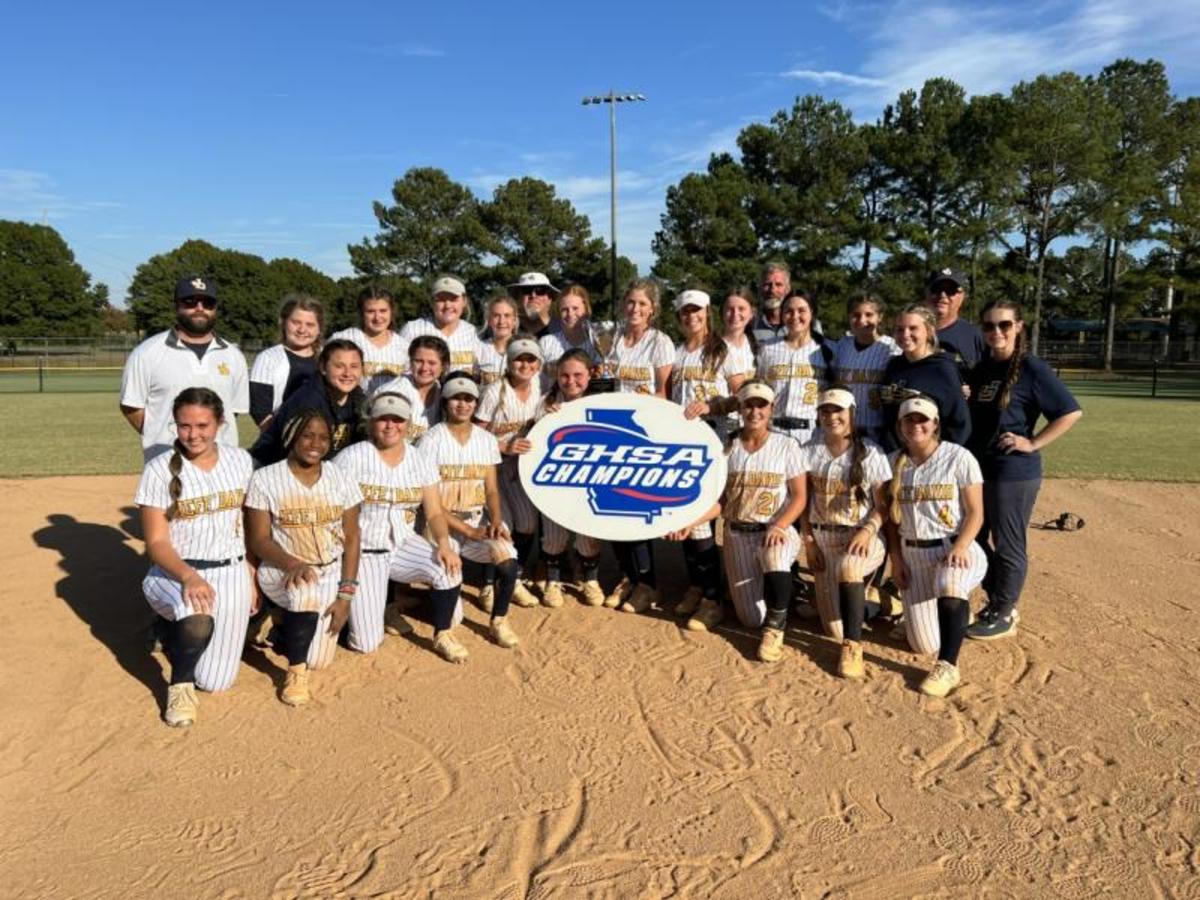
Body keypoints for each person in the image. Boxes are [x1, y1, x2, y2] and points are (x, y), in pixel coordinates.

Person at [136, 388, 255, 727]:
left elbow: (249, 523)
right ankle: (179, 687)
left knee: (217, 681)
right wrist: (188, 576)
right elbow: (156, 542)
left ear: (219, 423)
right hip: (175, 571)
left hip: (230, 569)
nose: (193, 434)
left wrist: (251, 569)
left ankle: (175, 635)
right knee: (194, 612)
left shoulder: (240, 461)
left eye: (202, 425)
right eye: (184, 425)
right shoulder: (160, 469)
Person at [966, 300, 1081, 640]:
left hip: (1013, 469)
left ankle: (1004, 611)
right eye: (988, 326)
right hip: (980, 465)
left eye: (1003, 325)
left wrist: (1032, 442)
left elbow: (1070, 412)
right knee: (971, 534)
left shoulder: (1032, 368)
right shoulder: (983, 368)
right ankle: (997, 599)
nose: (996, 332)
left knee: (1008, 542)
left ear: (1018, 326)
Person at [330, 392, 469, 658]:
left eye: (398, 420)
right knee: (365, 644)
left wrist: (442, 544)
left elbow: (435, 513)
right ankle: (373, 607)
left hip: (403, 544)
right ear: (371, 422)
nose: (391, 425)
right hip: (364, 553)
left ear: (408, 424)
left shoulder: (419, 459)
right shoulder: (351, 457)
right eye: (383, 418)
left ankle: (442, 634)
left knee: (448, 564)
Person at [245, 409, 362, 705]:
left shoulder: (340, 477)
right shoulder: (264, 479)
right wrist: (292, 563)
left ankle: (278, 623)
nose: (315, 443)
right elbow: (258, 539)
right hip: (280, 568)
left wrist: (346, 595)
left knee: (320, 660)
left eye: (323, 437)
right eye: (307, 435)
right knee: (304, 592)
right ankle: (295, 673)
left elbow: (352, 536)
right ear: (291, 437)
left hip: (330, 570)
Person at [418, 373, 534, 657]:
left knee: (507, 556)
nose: (462, 404)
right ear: (445, 402)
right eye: (456, 398)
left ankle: (499, 621)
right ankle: (441, 633)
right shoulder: (430, 440)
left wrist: (495, 519)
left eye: (469, 398)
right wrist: (469, 532)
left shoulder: (485, 440)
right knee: (450, 602)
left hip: (474, 519)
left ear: (476, 403)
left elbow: (492, 490)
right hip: (438, 526)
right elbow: (428, 503)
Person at [884, 395, 987, 698]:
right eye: (909, 419)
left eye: (923, 419)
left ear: (935, 424)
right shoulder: (892, 462)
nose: (916, 425)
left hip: (955, 547)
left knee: (951, 580)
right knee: (922, 644)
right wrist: (896, 559)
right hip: (912, 552)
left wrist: (961, 546)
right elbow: (890, 520)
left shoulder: (958, 457)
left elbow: (976, 513)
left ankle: (948, 666)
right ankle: (954, 612)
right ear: (900, 425)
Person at [701, 381, 807, 661]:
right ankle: (780, 592)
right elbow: (721, 501)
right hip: (737, 533)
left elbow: (799, 497)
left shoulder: (787, 445)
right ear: (740, 407)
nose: (755, 410)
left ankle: (776, 627)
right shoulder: (728, 446)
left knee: (775, 555)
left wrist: (780, 525)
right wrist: (690, 522)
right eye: (748, 403)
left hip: (774, 530)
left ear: (771, 409)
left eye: (761, 404)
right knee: (750, 619)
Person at [799, 387, 891, 679]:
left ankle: (853, 647)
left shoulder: (871, 452)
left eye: (838, 410)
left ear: (852, 414)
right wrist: (809, 542)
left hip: (860, 537)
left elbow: (884, 505)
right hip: (823, 538)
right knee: (832, 628)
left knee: (850, 567)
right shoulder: (809, 451)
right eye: (825, 411)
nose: (831, 416)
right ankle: (878, 602)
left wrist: (868, 530)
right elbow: (801, 501)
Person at [665, 289, 743, 620]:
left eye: (696, 310)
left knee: (702, 516)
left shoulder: (724, 349)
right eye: (685, 311)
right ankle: (697, 585)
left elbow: (742, 396)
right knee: (686, 509)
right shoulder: (679, 352)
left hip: (716, 437)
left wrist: (711, 405)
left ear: (707, 312)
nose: (690, 316)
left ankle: (712, 597)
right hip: (684, 442)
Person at [599, 278, 675, 613]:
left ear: (652, 310)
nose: (635, 309)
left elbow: (665, 392)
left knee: (635, 509)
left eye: (642, 304)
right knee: (613, 507)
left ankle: (648, 583)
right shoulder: (610, 338)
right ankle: (627, 576)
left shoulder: (660, 341)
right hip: (610, 430)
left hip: (643, 431)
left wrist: (639, 410)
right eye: (631, 302)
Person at [120, 276, 249, 462]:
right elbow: (131, 406)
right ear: (176, 306)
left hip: (222, 467)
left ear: (215, 308)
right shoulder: (147, 353)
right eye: (190, 301)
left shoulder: (234, 356)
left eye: (208, 302)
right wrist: (159, 433)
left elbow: (231, 411)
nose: (199, 308)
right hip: (166, 463)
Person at [474, 337, 546, 606]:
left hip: (522, 470)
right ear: (509, 361)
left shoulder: (541, 388)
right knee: (502, 525)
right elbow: (475, 433)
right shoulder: (495, 391)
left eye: (530, 359)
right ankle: (488, 584)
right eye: (519, 358)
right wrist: (503, 445)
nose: (524, 364)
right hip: (494, 470)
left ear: (538, 364)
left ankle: (514, 577)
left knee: (527, 523)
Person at [534, 348, 606, 607]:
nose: (571, 381)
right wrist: (546, 421)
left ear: (590, 375)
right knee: (554, 538)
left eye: (578, 375)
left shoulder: (602, 402)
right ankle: (553, 581)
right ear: (557, 375)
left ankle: (591, 579)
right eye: (565, 375)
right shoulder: (546, 403)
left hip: (591, 481)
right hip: (556, 482)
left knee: (588, 537)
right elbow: (534, 445)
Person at [250, 339, 365, 466]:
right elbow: (295, 456)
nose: (347, 373)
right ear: (323, 367)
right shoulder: (308, 401)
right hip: (274, 468)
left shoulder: (359, 399)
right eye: (339, 366)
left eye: (354, 366)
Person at [879, 304, 971, 452]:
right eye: (899, 329)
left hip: (928, 459)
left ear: (929, 331)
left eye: (913, 328)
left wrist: (940, 458)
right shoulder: (894, 366)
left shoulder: (942, 369)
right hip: (894, 457)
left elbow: (960, 423)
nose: (905, 334)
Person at [756, 291, 833, 446]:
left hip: (812, 433)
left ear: (812, 312)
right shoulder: (768, 348)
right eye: (789, 311)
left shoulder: (829, 349)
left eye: (802, 310)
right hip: (773, 430)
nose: (795, 316)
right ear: (782, 314)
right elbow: (760, 389)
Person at [248, 294, 324, 430]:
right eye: (296, 322)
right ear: (283, 322)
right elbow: (260, 411)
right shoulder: (268, 358)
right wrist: (282, 438)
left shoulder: (328, 358)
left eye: (310, 325)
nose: (302, 330)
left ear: (319, 329)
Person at [832, 294, 899, 443]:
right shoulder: (842, 345)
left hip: (878, 433)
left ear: (880, 317)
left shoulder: (892, 348)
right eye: (856, 315)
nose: (862, 320)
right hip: (844, 431)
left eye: (869, 315)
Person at [329, 286, 407, 394]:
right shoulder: (344, 339)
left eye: (383, 311)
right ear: (361, 313)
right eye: (370, 311)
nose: (377, 317)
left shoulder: (404, 346)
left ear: (392, 312)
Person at [398, 276, 482, 375]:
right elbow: (400, 370)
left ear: (464, 302)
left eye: (454, 299)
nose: (447, 305)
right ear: (432, 302)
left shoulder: (471, 331)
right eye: (441, 300)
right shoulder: (412, 329)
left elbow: (479, 370)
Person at [376, 335, 449, 442]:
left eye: (432, 363)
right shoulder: (392, 391)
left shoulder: (444, 391)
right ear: (410, 362)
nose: (424, 368)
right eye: (418, 361)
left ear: (443, 366)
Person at [538, 284, 601, 389]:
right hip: (554, 403)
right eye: (564, 310)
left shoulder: (598, 343)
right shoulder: (546, 343)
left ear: (586, 310)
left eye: (575, 308)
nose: (570, 314)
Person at [925, 268, 985, 374]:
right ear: (927, 294)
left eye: (950, 291)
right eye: (936, 289)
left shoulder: (976, 336)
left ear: (963, 296)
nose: (942, 295)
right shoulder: (909, 332)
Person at [477, 295, 520, 387]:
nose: (501, 321)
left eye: (507, 315)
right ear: (489, 320)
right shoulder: (478, 348)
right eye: (496, 315)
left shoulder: (523, 349)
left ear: (515, 319)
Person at [751, 261, 790, 345]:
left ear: (787, 290)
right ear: (760, 289)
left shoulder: (806, 324)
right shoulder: (750, 325)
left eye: (778, 285)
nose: (772, 290)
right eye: (767, 284)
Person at [511, 271, 558, 338]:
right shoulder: (506, 329)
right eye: (527, 290)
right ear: (518, 297)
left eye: (540, 291)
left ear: (550, 298)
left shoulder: (562, 329)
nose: (533, 295)